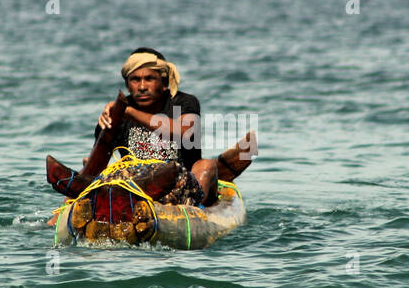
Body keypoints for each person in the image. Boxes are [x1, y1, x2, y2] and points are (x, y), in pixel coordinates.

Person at [46, 48, 255, 206]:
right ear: (128, 85)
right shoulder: (115, 115)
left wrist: (128, 112)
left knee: (206, 166)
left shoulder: (183, 103)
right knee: (99, 170)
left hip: (184, 187)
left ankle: (191, 213)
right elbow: (95, 166)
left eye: (149, 79)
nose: (142, 86)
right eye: (135, 80)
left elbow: (184, 133)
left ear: (164, 83)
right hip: (137, 187)